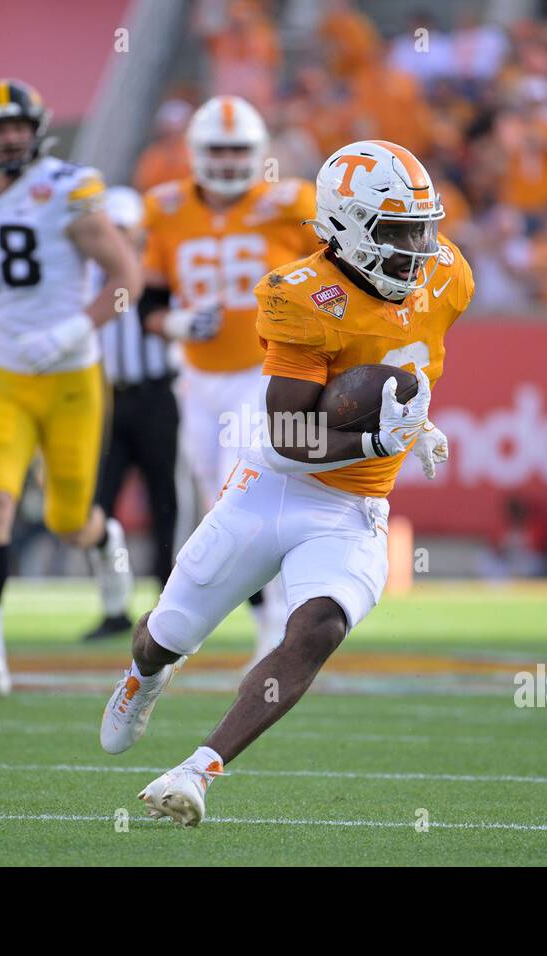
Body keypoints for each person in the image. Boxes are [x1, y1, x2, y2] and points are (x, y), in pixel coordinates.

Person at [99, 139, 473, 826]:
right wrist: (378, 433)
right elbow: (289, 438)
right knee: (164, 634)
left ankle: (198, 770)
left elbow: (399, 362)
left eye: (423, 228)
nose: (417, 248)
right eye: (395, 232)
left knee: (319, 625)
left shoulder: (448, 274)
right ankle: (146, 677)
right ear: (345, 227)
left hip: (353, 507)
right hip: (271, 489)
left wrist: (407, 419)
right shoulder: (301, 296)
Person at [0, 79, 142, 696]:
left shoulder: (68, 189)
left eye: (17, 126)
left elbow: (128, 277)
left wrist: (77, 328)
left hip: (71, 379)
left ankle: (105, 541)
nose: (8, 137)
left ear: (37, 130)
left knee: (68, 519)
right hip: (1, 379)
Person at [138, 94, 322, 667]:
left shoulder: (292, 202)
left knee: (234, 493)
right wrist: (177, 322)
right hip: (196, 377)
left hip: (265, 374)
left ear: (259, 153)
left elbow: (337, 276)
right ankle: (250, 619)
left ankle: (271, 625)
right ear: (195, 152)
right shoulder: (165, 208)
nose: (225, 161)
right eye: (216, 150)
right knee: (207, 495)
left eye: (237, 149)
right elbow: (146, 301)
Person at [86, 186, 181, 639]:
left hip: (157, 396)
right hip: (109, 399)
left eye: (125, 231)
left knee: (165, 502)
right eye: (112, 231)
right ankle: (113, 604)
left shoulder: (160, 272)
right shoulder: (89, 274)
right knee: (99, 505)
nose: (118, 240)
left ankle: (169, 603)